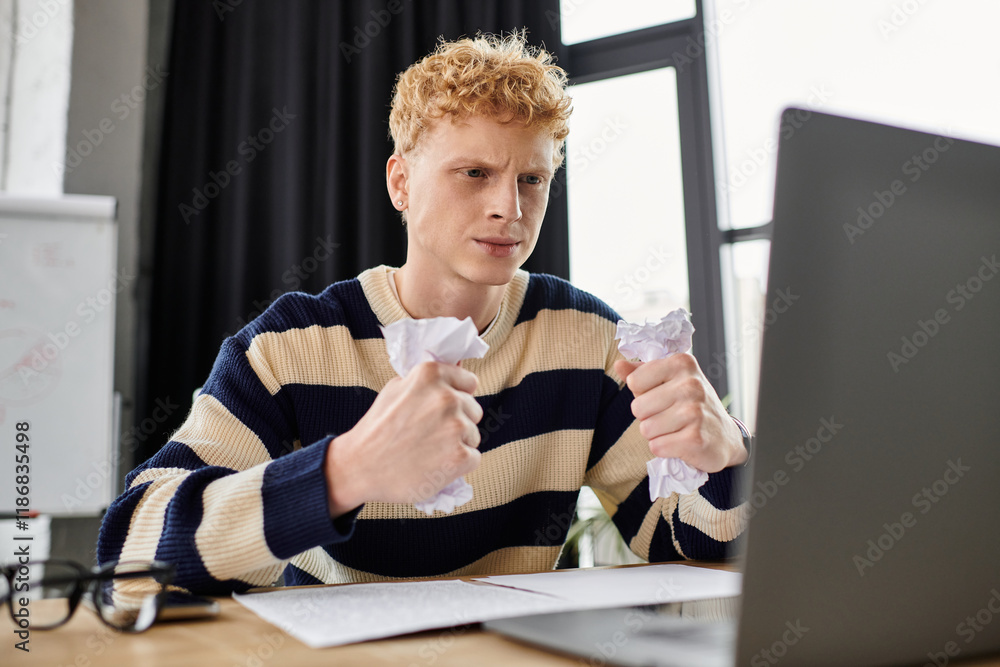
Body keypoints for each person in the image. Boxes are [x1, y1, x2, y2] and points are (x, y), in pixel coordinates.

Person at [97, 33, 749, 594]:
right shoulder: (287, 348)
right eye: (473, 173)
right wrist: (343, 472)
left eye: (532, 179)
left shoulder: (586, 339)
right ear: (400, 182)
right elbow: (128, 550)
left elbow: (680, 542)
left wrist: (723, 464)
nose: (510, 210)